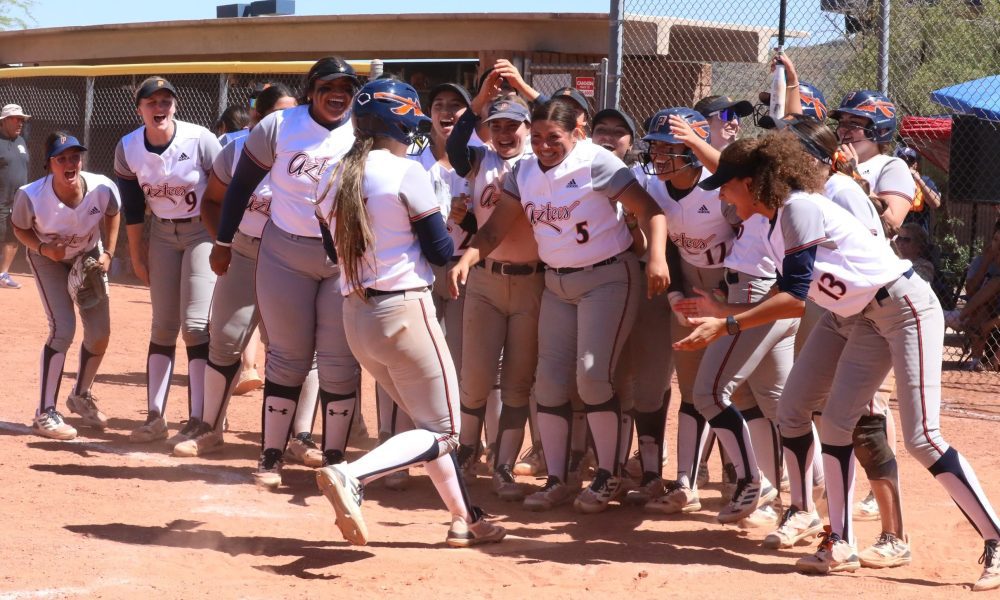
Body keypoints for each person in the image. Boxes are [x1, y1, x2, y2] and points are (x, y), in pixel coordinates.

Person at [676, 131, 1000, 590]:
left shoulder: (798, 208)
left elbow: (791, 299)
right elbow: (788, 291)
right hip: (854, 316)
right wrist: (725, 312)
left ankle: (995, 540)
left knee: (922, 437)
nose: (724, 196)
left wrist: (728, 326)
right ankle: (838, 540)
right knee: (817, 417)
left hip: (903, 306)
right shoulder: (770, 223)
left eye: (728, 186)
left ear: (752, 183)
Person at [449, 99, 670, 513]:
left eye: (555, 137)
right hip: (556, 282)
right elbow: (497, 226)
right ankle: (557, 478)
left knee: (592, 377)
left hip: (606, 277)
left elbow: (651, 210)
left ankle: (608, 474)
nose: (545, 145)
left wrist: (656, 256)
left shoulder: (596, 163)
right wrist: (468, 257)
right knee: (548, 383)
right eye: (537, 138)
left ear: (576, 133)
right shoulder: (524, 170)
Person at [313, 78, 505, 548]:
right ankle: (352, 474)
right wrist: (459, 221)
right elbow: (441, 252)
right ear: (397, 121)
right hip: (404, 311)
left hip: (356, 316)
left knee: (427, 428)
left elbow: (331, 252)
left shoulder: (330, 173)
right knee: (443, 433)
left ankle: (467, 519)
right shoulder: (405, 172)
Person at [212, 57, 362, 488]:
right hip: (284, 252)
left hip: (342, 259)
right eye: (329, 85)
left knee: (338, 359)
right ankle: (270, 456)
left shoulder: (363, 130)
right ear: (311, 88)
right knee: (288, 355)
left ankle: (336, 461)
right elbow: (240, 187)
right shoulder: (277, 127)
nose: (339, 94)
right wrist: (223, 243)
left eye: (347, 87)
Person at [172, 84, 300, 458]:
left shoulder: (307, 154)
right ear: (258, 119)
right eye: (279, 115)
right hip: (245, 251)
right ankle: (210, 427)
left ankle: (297, 437)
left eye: (294, 115)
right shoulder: (236, 152)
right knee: (225, 339)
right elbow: (211, 203)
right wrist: (224, 243)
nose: (288, 123)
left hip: (292, 257)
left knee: (292, 349)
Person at [634, 107, 740, 516]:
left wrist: (728, 303)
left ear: (695, 151)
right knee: (694, 388)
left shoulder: (721, 190)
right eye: (655, 147)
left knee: (738, 390)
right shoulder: (655, 188)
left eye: (669, 148)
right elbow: (673, 250)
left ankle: (740, 478)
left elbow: (753, 245)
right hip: (691, 285)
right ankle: (685, 482)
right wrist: (676, 294)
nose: (658, 156)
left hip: (734, 285)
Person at [445, 72, 538, 501]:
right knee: (476, 374)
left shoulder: (543, 161)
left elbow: (574, 119)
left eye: (512, 125)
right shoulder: (479, 160)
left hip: (533, 283)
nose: (503, 133)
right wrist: (482, 99)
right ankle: (467, 449)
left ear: (528, 128)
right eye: (496, 125)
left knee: (518, 381)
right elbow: (454, 144)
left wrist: (527, 89)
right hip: (486, 277)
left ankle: (503, 464)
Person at [115, 76, 222, 445]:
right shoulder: (128, 147)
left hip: (201, 233)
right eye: (151, 102)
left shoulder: (200, 139)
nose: (159, 108)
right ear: (139, 109)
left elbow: (225, 188)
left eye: (165, 101)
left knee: (194, 325)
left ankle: (201, 420)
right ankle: (155, 416)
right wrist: (136, 252)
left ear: (174, 106)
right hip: (160, 233)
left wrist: (224, 240)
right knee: (162, 326)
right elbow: (132, 206)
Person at [11, 132, 120, 440]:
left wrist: (109, 252)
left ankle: (80, 394)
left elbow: (113, 213)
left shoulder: (101, 187)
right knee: (63, 329)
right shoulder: (30, 195)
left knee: (100, 333)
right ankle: (45, 413)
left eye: (74, 156)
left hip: (88, 257)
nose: (70, 163)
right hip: (48, 260)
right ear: (50, 165)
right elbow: (19, 228)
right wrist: (45, 250)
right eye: (62, 158)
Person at [0, 104, 31, 289]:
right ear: (4, 121)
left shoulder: (21, 141)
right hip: (1, 199)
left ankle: (3, 275)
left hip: (18, 200)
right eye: (16, 118)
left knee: (14, 235)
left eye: (21, 119)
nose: (20, 122)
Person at [895, 146, 940, 233]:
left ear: (915, 164)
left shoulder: (925, 181)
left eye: (910, 161)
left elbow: (936, 204)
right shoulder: (892, 181)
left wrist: (918, 180)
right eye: (903, 161)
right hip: (898, 233)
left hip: (919, 235)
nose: (906, 164)